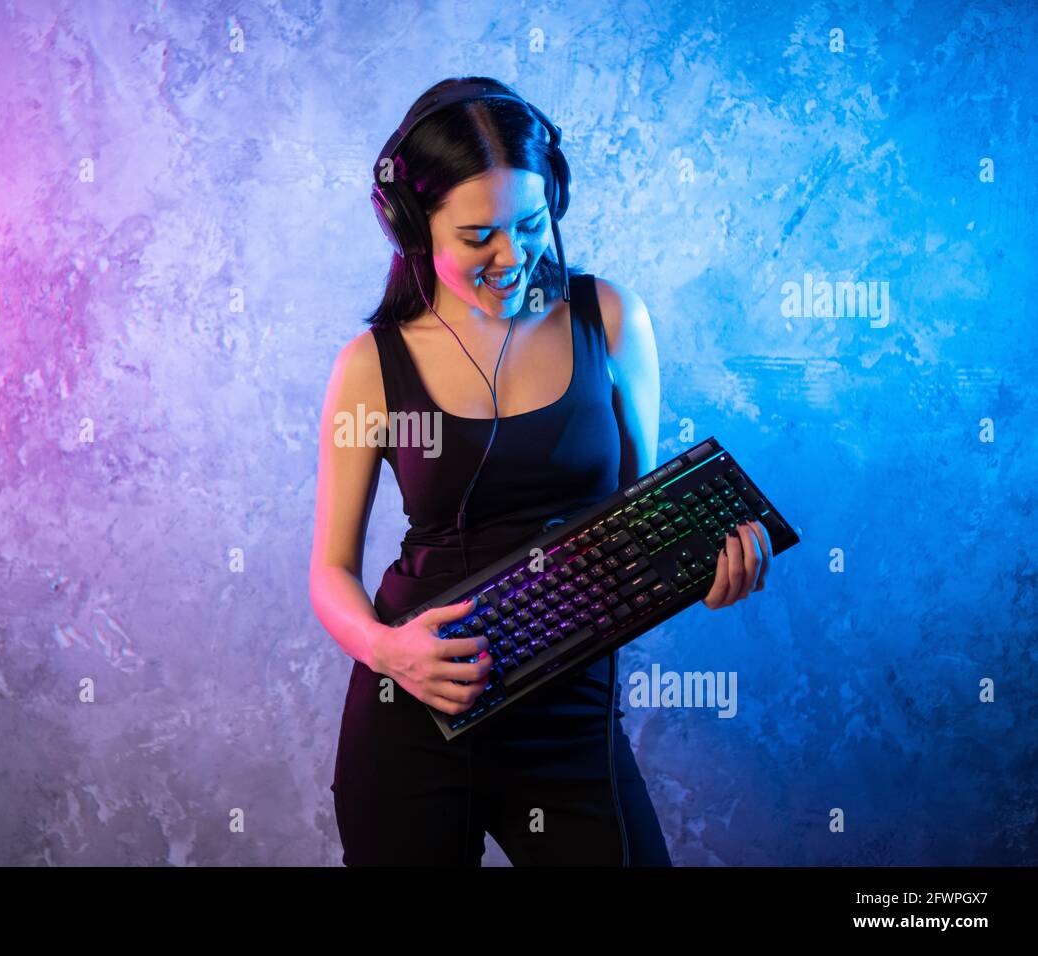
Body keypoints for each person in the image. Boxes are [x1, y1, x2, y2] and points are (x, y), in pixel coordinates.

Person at [309, 77, 772, 866]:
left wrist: (713, 555)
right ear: (416, 229)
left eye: (530, 225)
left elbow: (639, 528)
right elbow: (329, 573)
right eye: (478, 237)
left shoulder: (612, 321)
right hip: (415, 711)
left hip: (570, 712)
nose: (512, 257)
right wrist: (392, 654)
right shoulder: (370, 366)